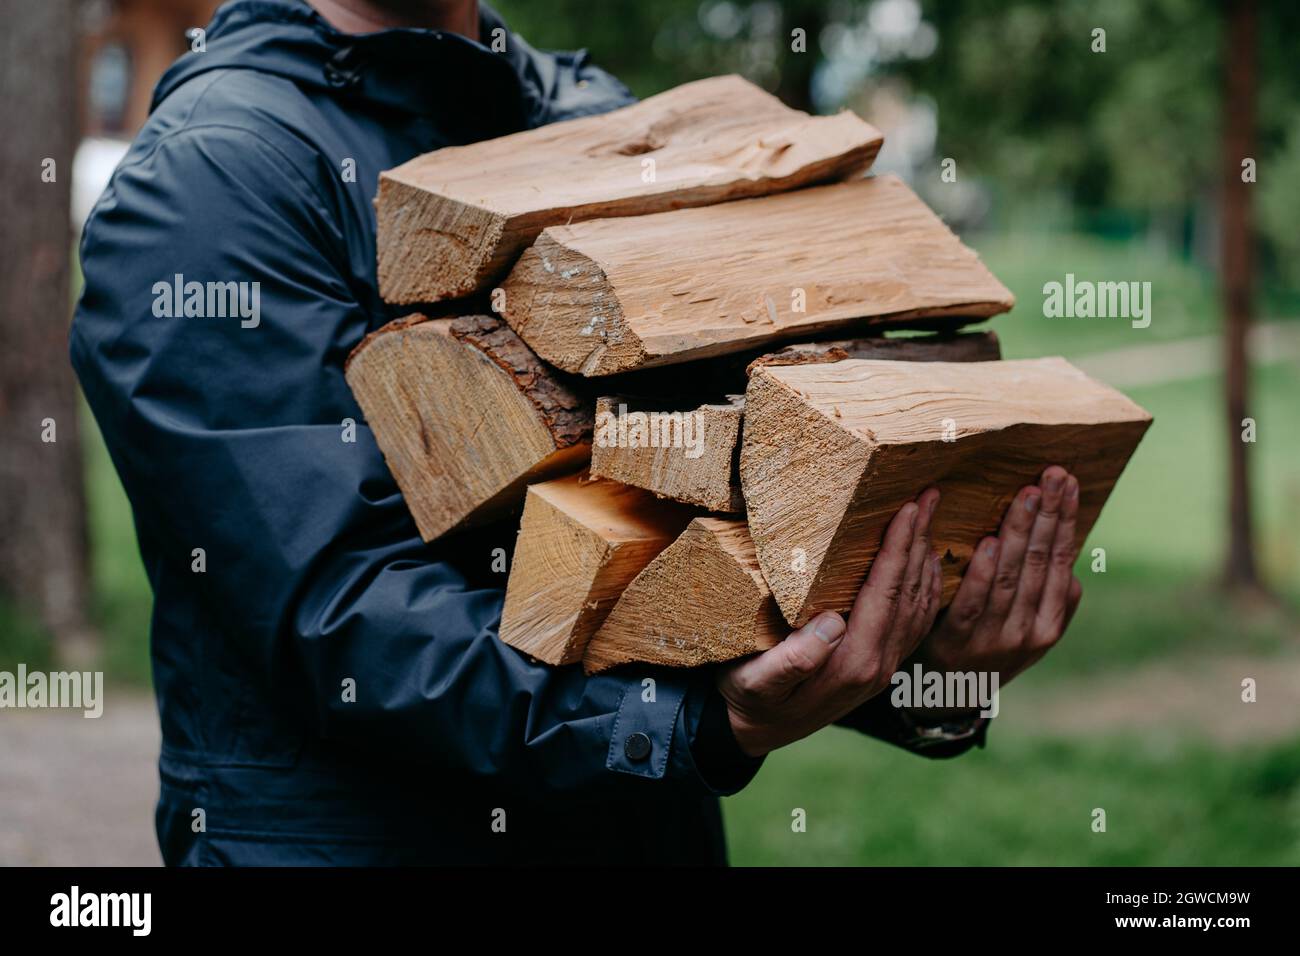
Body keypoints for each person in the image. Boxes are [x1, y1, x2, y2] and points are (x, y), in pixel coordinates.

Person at [70, 0, 1083, 865]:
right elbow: (338, 604)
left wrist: (923, 663)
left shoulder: (591, 118)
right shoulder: (212, 180)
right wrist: (689, 725)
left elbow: (730, 516)